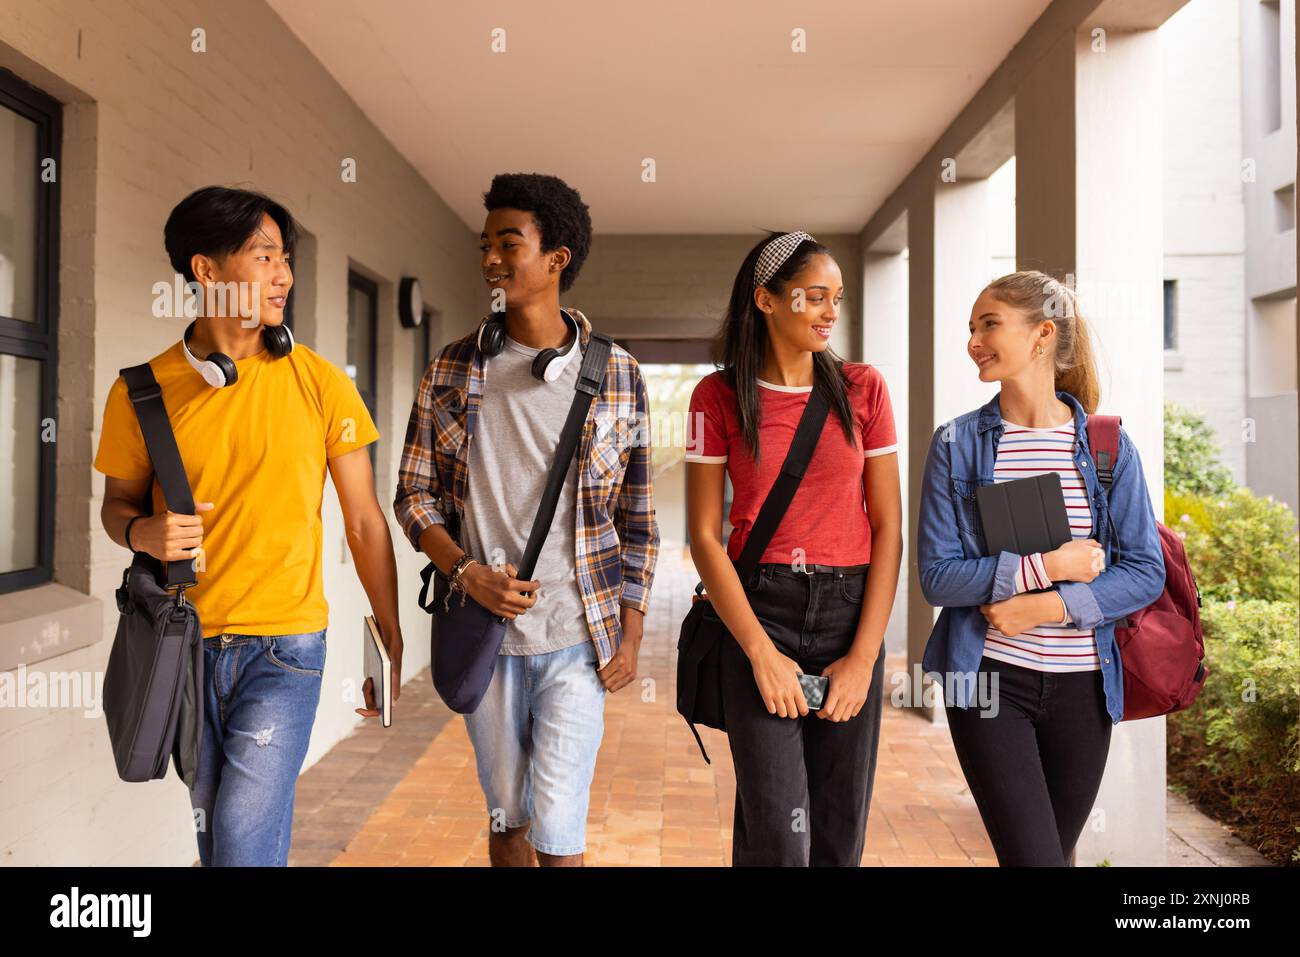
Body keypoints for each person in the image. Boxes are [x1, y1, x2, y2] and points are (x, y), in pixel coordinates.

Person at [94, 185, 404, 866]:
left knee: (239, 838)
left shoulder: (320, 382)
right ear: (206, 270)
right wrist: (138, 532)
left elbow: (362, 520)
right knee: (219, 841)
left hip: (285, 648)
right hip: (185, 646)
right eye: (265, 257)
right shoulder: (140, 392)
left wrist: (389, 637)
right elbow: (116, 505)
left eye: (285, 258)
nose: (284, 275)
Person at [394, 172, 659, 866]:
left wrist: (630, 634)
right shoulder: (451, 370)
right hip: (485, 639)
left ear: (556, 258)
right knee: (507, 819)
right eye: (485, 246)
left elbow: (637, 515)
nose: (490, 260)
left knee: (559, 829)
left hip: (578, 638)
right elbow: (413, 495)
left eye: (509, 244)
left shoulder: (620, 374)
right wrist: (466, 571)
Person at [917, 270, 1166, 866]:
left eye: (989, 324)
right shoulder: (957, 445)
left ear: (1042, 335)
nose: (973, 340)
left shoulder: (1107, 448)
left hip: (1086, 689)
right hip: (985, 681)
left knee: (1054, 856)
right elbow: (938, 576)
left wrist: (1049, 605)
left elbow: (1144, 571)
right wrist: (1047, 566)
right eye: (971, 328)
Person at [684, 230, 902, 866]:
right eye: (814, 296)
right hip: (760, 613)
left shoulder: (864, 389)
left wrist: (863, 657)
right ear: (767, 300)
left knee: (837, 839)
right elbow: (703, 534)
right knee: (779, 836)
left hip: (848, 611)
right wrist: (760, 652)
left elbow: (887, 524)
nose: (831, 311)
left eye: (837, 298)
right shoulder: (715, 398)